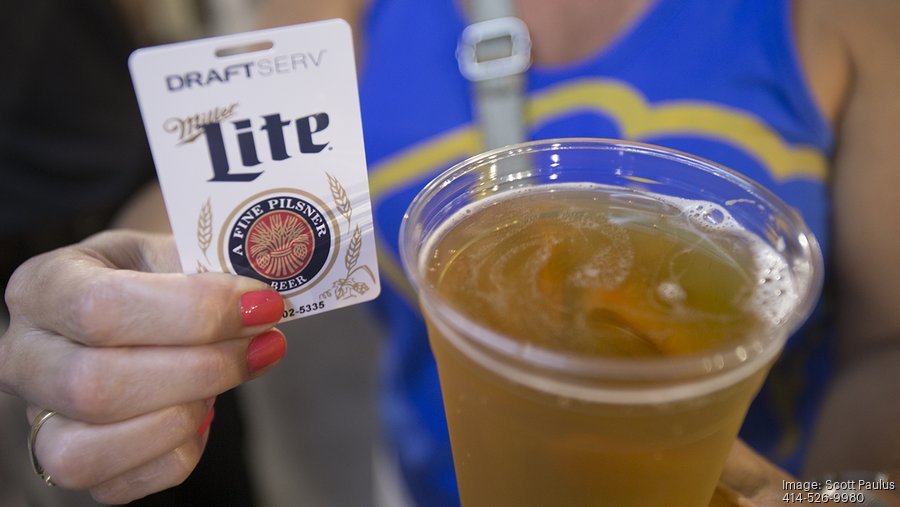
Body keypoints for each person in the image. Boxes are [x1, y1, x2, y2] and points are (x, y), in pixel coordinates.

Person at [2, 0, 899, 506]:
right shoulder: (332, 8)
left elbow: (887, 346)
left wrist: (830, 493)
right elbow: (207, 210)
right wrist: (110, 311)